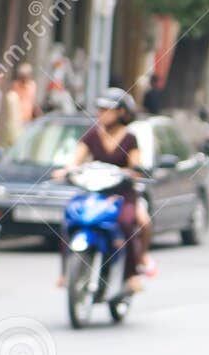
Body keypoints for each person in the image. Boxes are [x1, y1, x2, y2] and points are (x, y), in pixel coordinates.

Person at [53, 90, 153, 292]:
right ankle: (66, 273)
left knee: (129, 222)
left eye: (108, 110)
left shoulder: (130, 138)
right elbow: (76, 159)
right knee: (70, 219)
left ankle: (132, 273)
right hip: (94, 193)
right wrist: (66, 170)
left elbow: (136, 166)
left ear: (122, 113)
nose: (102, 114)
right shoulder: (92, 134)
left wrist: (131, 171)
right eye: (101, 110)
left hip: (122, 194)